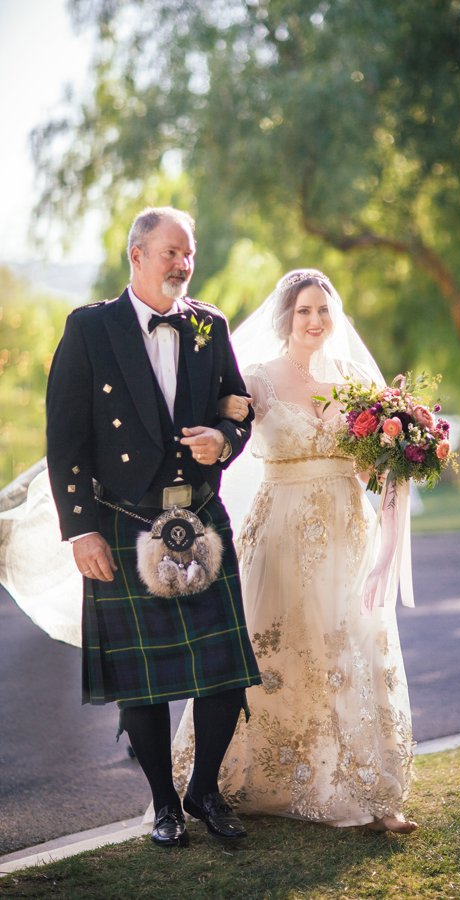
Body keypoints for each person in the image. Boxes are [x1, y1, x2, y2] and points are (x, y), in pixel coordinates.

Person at [169, 269, 418, 833]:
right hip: (279, 528)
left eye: (323, 311)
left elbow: (373, 465)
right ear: (286, 318)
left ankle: (369, 790)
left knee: (349, 645)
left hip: (346, 528)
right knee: (268, 646)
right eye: (304, 311)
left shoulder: (356, 381)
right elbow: (221, 435)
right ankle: (225, 781)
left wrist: (402, 453)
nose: (315, 321)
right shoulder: (255, 380)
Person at [44, 206, 262, 847]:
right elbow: (66, 439)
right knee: (142, 682)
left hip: (199, 520)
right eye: (171, 252)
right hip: (122, 523)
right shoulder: (90, 329)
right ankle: (164, 804)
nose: (182, 264)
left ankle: (204, 789)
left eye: (188, 253)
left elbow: (240, 409)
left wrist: (221, 440)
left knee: (225, 669)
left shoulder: (208, 326)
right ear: (137, 255)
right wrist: (80, 530)